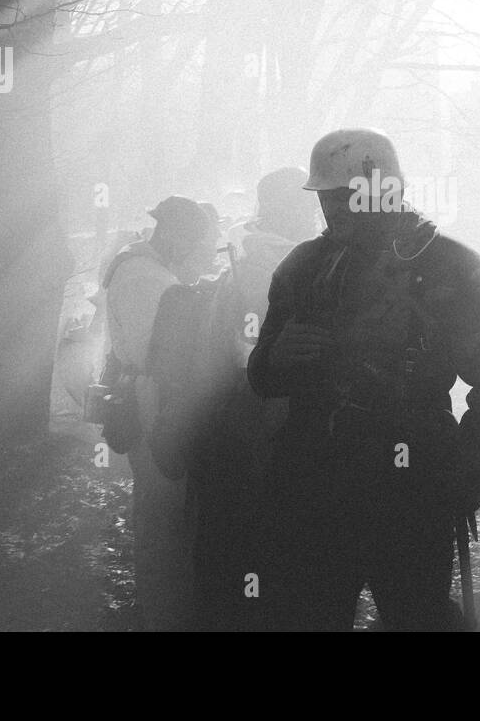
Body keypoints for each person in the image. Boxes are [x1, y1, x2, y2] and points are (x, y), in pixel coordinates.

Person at [248, 128, 480, 631]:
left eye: (345, 196)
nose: (332, 209)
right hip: (313, 483)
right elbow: (263, 376)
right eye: (327, 197)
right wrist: (274, 358)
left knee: (417, 618)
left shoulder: (452, 269)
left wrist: (459, 486)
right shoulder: (304, 267)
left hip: (410, 492)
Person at [149, 166, 319, 630]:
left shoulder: (245, 258)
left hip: (232, 446)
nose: (319, 213)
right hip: (260, 448)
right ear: (286, 208)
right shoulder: (275, 268)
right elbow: (249, 364)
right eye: (310, 202)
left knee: (231, 571)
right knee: (263, 578)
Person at [101, 195, 217, 630]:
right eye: (194, 242)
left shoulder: (142, 268)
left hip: (146, 400)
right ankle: (166, 615)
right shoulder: (147, 278)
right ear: (174, 235)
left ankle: (163, 610)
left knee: (158, 515)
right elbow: (158, 355)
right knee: (163, 515)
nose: (194, 252)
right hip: (151, 405)